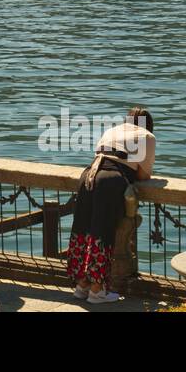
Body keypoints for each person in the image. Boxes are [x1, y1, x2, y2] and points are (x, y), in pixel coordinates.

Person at [67, 107, 156, 304]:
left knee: (84, 229)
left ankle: (82, 286)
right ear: (148, 125)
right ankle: (97, 291)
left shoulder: (112, 130)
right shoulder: (147, 136)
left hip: (88, 176)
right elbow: (143, 175)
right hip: (110, 181)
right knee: (102, 232)